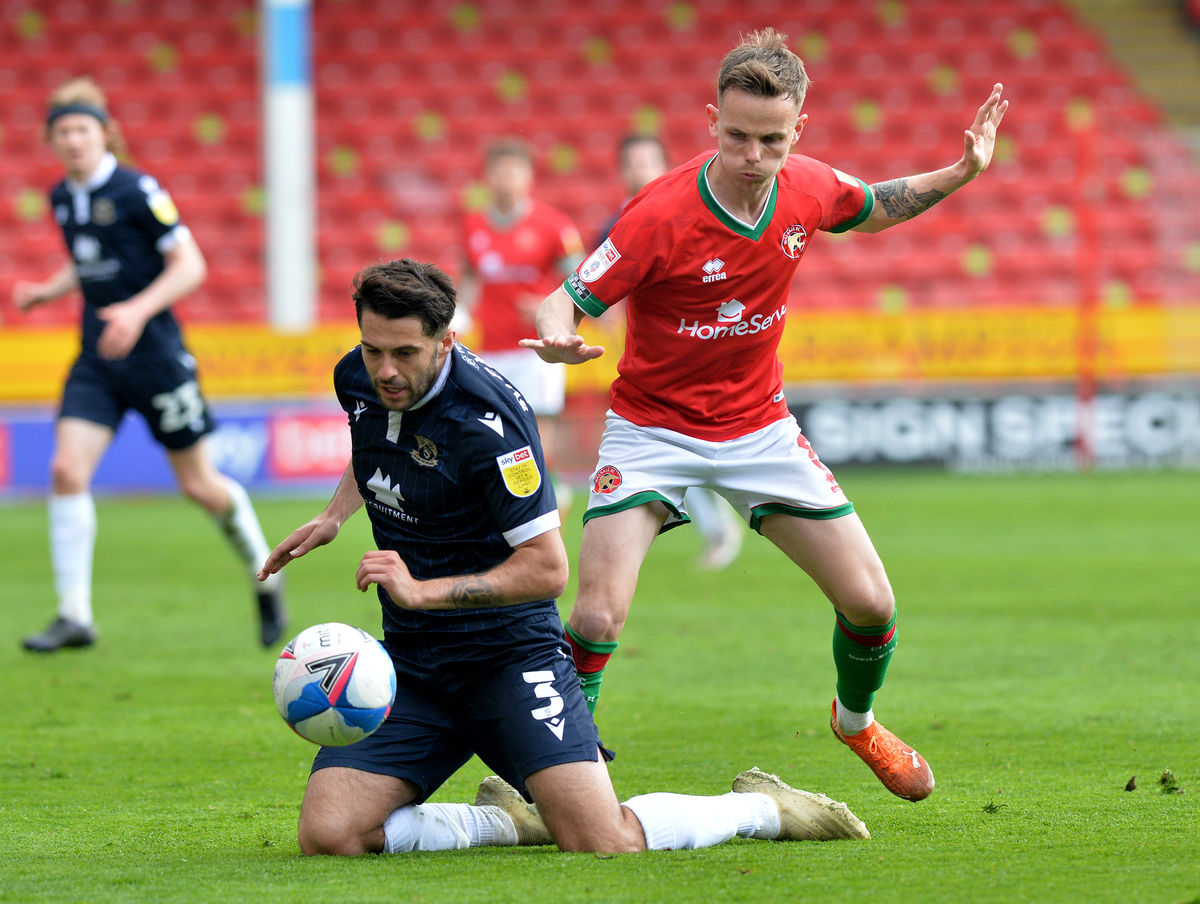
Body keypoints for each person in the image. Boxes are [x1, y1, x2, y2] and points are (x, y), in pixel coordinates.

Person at [522, 29, 1009, 802]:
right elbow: (565, 297)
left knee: (872, 603)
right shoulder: (658, 214)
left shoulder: (807, 187)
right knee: (598, 613)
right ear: (711, 120)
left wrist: (961, 171)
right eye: (737, 136)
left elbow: (875, 206)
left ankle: (855, 722)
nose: (753, 155)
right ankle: (557, 766)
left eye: (772, 140)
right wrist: (557, 337)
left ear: (798, 131)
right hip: (652, 429)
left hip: (759, 428)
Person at [256, 258, 870, 855]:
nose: (385, 370)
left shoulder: (491, 424)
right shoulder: (357, 376)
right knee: (330, 834)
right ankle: (504, 822)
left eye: (405, 354)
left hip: (508, 660)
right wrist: (335, 515)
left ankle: (761, 808)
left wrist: (421, 591)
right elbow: (377, 442)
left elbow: (547, 569)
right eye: (373, 350)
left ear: (446, 342)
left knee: (602, 839)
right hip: (412, 665)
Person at [14, 77, 286, 652]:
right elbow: (91, 261)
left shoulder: (138, 190)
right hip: (98, 357)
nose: (73, 140)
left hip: (156, 357)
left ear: (104, 133)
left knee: (200, 487)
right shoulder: (61, 196)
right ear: (51, 140)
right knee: (66, 470)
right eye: (63, 132)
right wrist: (48, 290)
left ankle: (265, 575)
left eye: (82, 129)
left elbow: (191, 265)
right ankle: (75, 616)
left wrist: (136, 312)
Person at [601, 134, 745, 571]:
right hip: (649, 358)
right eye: (632, 162)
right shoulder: (614, 225)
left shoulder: (692, 213)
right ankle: (713, 526)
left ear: (665, 164)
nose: (640, 169)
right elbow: (600, 287)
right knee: (673, 444)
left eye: (648, 160)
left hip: (702, 351)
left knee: (692, 440)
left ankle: (722, 521)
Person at [456, 138, 585, 505]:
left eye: (514, 170)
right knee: (495, 434)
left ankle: (547, 497)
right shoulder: (473, 225)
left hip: (538, 350)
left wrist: (550, 304)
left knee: (537, 431)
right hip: (492, 350)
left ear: (529, 177)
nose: (506, 178)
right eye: (499, 171)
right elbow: (470, 279)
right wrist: (460, 315)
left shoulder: (553, 225)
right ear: (487, 177)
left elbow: (583, 281)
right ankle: (517, 503)